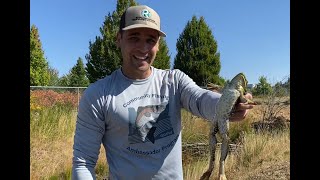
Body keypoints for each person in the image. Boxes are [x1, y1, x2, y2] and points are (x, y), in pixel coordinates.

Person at [72, 5, 255, 180]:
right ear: (119, 39)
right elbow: (83, 163)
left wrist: (226, 105)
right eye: (134, 37)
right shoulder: (98, 95)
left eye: (151, 40)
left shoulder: (173, 81)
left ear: (158, 44)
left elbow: (199, 98)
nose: (143, 48)